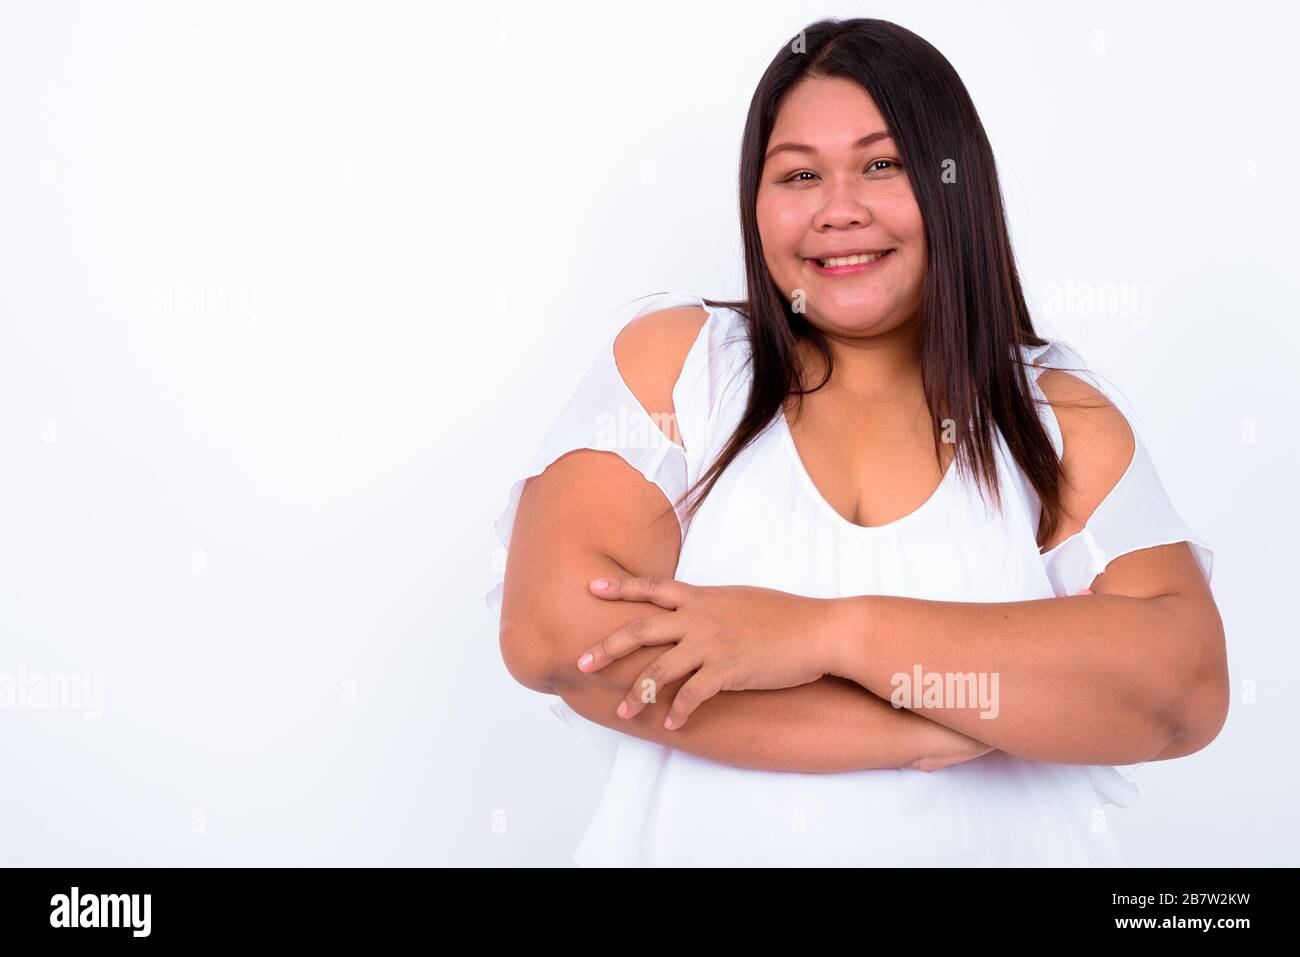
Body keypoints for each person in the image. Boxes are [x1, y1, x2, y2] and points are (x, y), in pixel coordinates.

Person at [487, 17, 1226, 867]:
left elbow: (1183, 687)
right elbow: (562, 640)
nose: (839, 211)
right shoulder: (681, 368)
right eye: (799, 174)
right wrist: (917, 721)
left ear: (955, 184)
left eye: (882, 165)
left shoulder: (1054, 417)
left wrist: (826, 634)